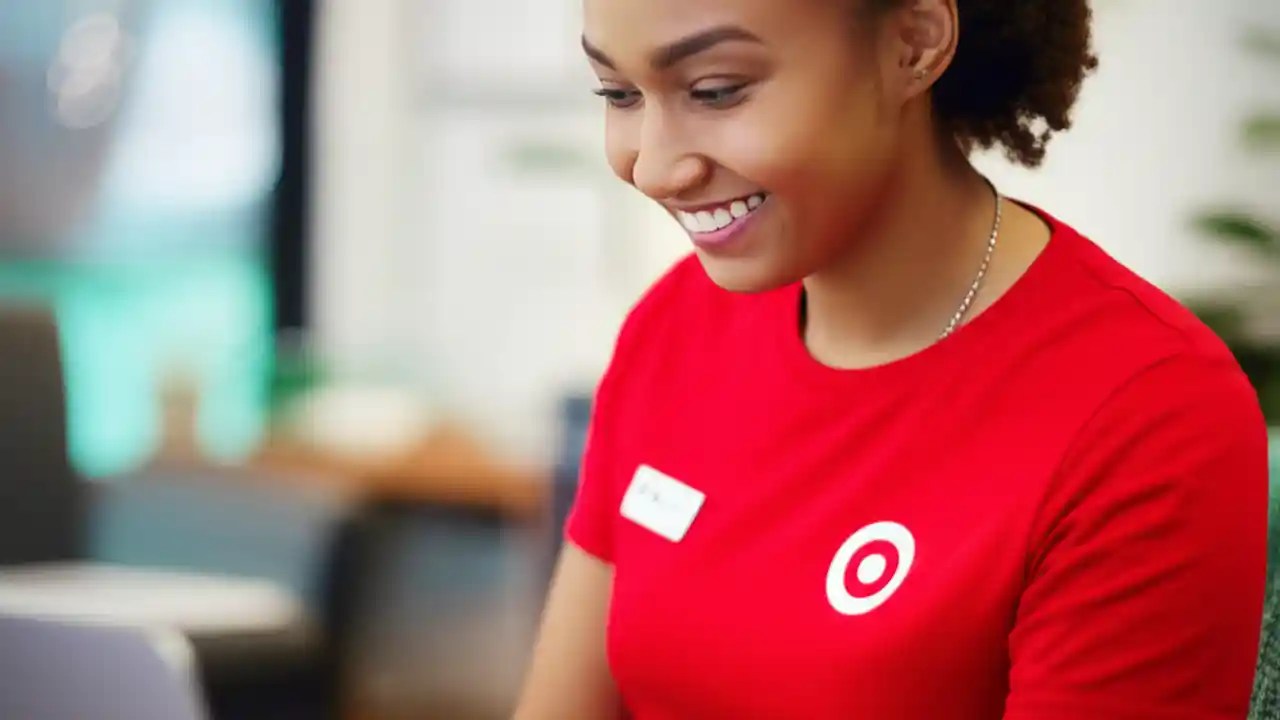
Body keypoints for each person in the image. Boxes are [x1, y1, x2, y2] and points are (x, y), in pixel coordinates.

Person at [514, 0, 1270, 717]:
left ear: (912, 44)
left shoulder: (1149, 417)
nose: (652, 166)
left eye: (715, 91)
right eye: (618, 93)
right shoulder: (676, 327)